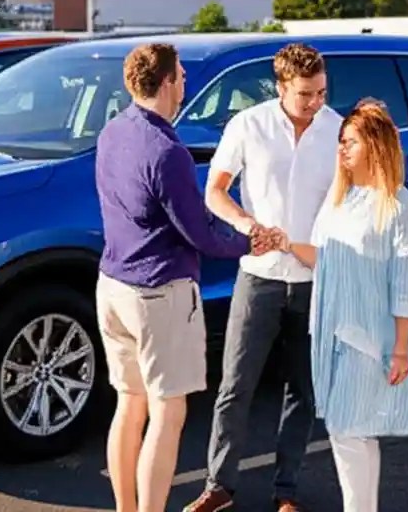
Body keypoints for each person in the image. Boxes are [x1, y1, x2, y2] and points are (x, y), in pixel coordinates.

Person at [96, 42, 283, 512]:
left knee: (128, 404)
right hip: (158, 294)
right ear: (165, 84)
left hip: (112, 286)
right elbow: (198, 231)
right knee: (167, 411)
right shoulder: (168, 151)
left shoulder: (112, 131)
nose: (185, 83)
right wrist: (249, 242)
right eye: (180, 75)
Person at [186, 42, 342, 512]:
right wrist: (245, 225)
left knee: (303, 390)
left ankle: (287, 491)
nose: (315, 102)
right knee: (235, 384)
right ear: (281, 88)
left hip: (316, 279)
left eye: (321, 92)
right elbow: (215, 191)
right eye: (305, 95)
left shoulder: (337, 130)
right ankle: (219, 486)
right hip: (258, 277)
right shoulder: (248, 125)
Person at [287, 99, 408, 512]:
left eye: (350, 141)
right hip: (332, 330)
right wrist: (281, 241)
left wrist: (401, 347)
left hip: (370, 337)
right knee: (350, 431)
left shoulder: (399, 206)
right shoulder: (341, 201)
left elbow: (405, 282)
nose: (341, 149)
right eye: (340, 141)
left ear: (374, 144)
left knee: (349, 429)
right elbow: (321, 257)